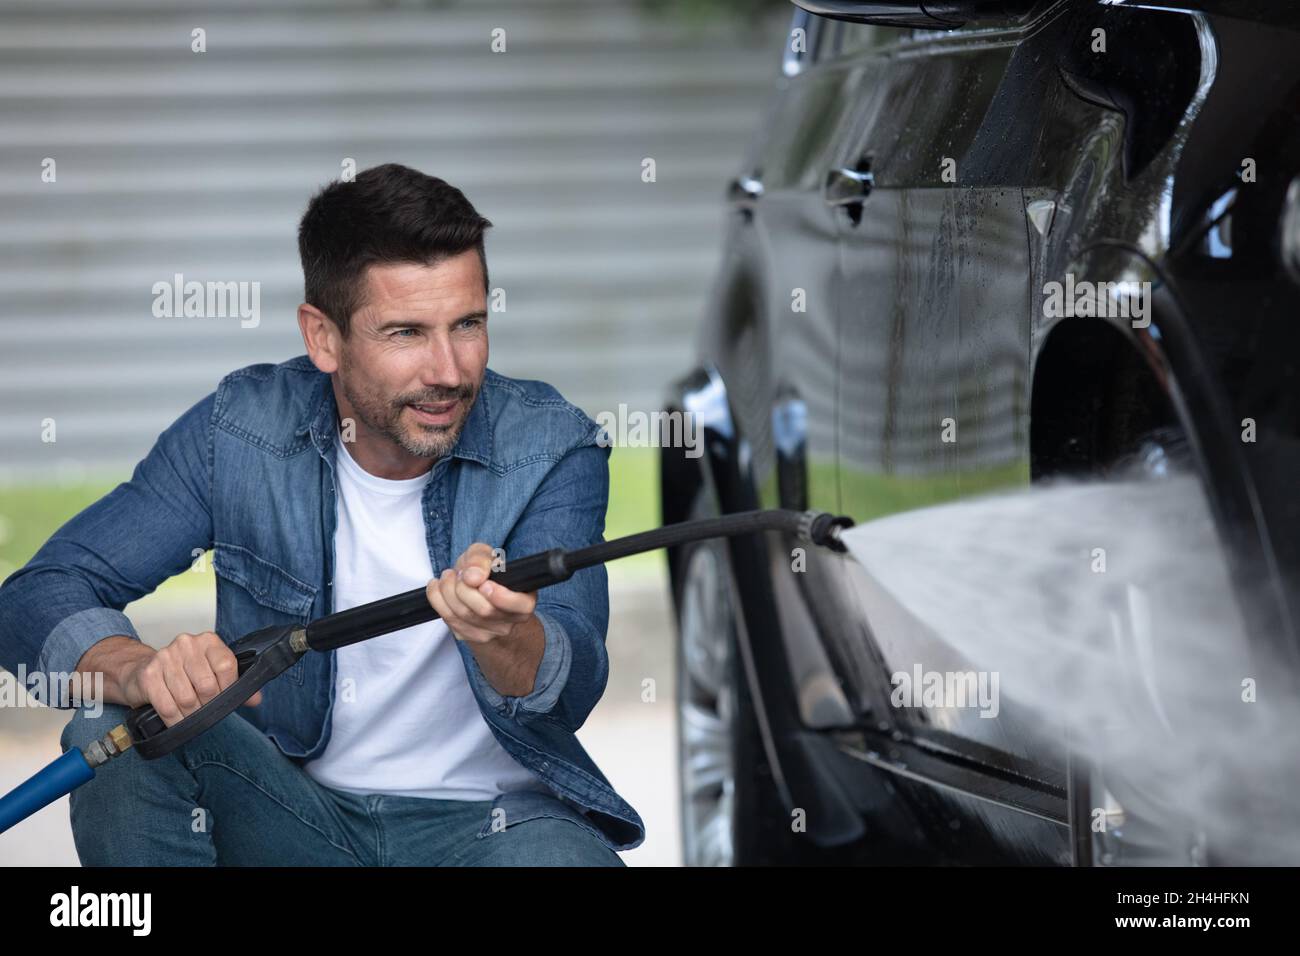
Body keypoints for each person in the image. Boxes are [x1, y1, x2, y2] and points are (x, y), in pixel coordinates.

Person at [0, 163, 643, 865]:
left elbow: (573, 684)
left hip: (496, 832)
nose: (450, 369)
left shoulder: (553, 445)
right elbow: (35, 594)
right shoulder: (237, 431)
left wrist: (504, 640)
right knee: (120, 725)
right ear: (323, 338)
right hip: (294, 820)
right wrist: (134, 669)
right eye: (405, 333)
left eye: (468, 324)